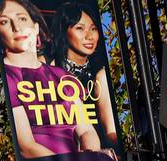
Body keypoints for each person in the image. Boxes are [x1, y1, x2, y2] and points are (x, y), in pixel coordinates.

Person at [0, 0, 113, 161]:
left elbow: (86, 130)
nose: (17, 27)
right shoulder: (8, 76)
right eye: (5, 22)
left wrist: (90, 159)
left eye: (22, 18)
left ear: (36, 27)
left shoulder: (61, 75)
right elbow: (26, 146)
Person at [50, 1, 119, 148]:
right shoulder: (50, 67)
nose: (89, 36)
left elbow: (111, 132)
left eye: (93, 29)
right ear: (64, 31)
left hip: (96, 151)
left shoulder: (100, 73)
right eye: (80, 28)